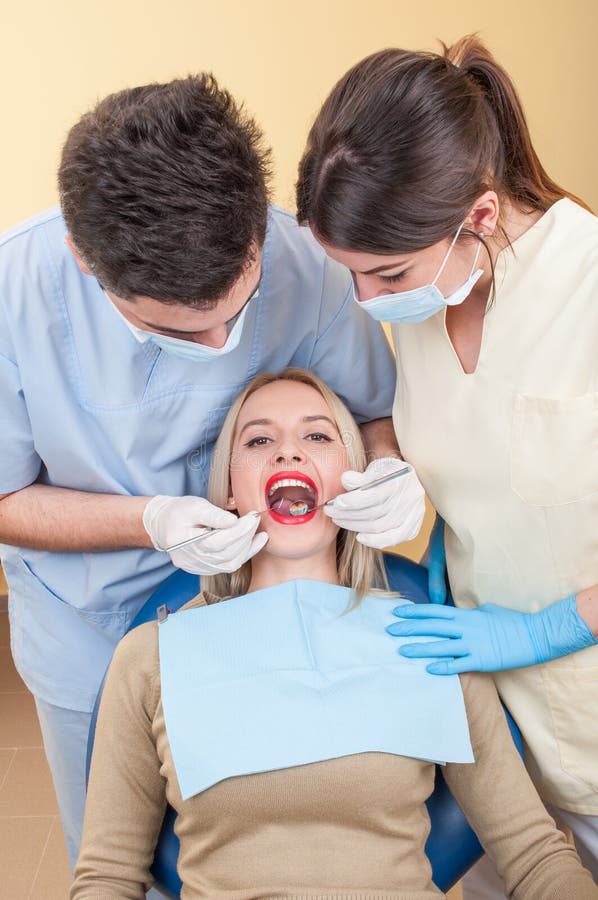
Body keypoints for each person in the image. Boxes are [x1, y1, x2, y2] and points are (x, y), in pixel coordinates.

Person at [0, 74, 426, 871]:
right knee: (113, 842)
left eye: (239, 308)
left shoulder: (303, 258)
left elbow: (375, 412)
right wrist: (150, 521)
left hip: (277, 596)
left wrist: (393, 469)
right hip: (86, 612)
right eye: (177, 331)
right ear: (84, 262)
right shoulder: (13, 297)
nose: (220, 344)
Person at [71, 368, 598, 900]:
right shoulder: (153, 657)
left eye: (318, 436)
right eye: (258, 440)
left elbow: (534, 855)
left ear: (358, 479)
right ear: (229, 491)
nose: (288, 453)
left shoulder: (431, 637)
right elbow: (107, 877)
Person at [295, 33, 598, 899]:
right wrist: (391, 468)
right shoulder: (428, 296)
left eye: (383, 274)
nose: (369, 303)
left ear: (482, 216)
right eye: (349, 276)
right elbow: (457, 443)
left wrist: (541, 632)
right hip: (498, 743)